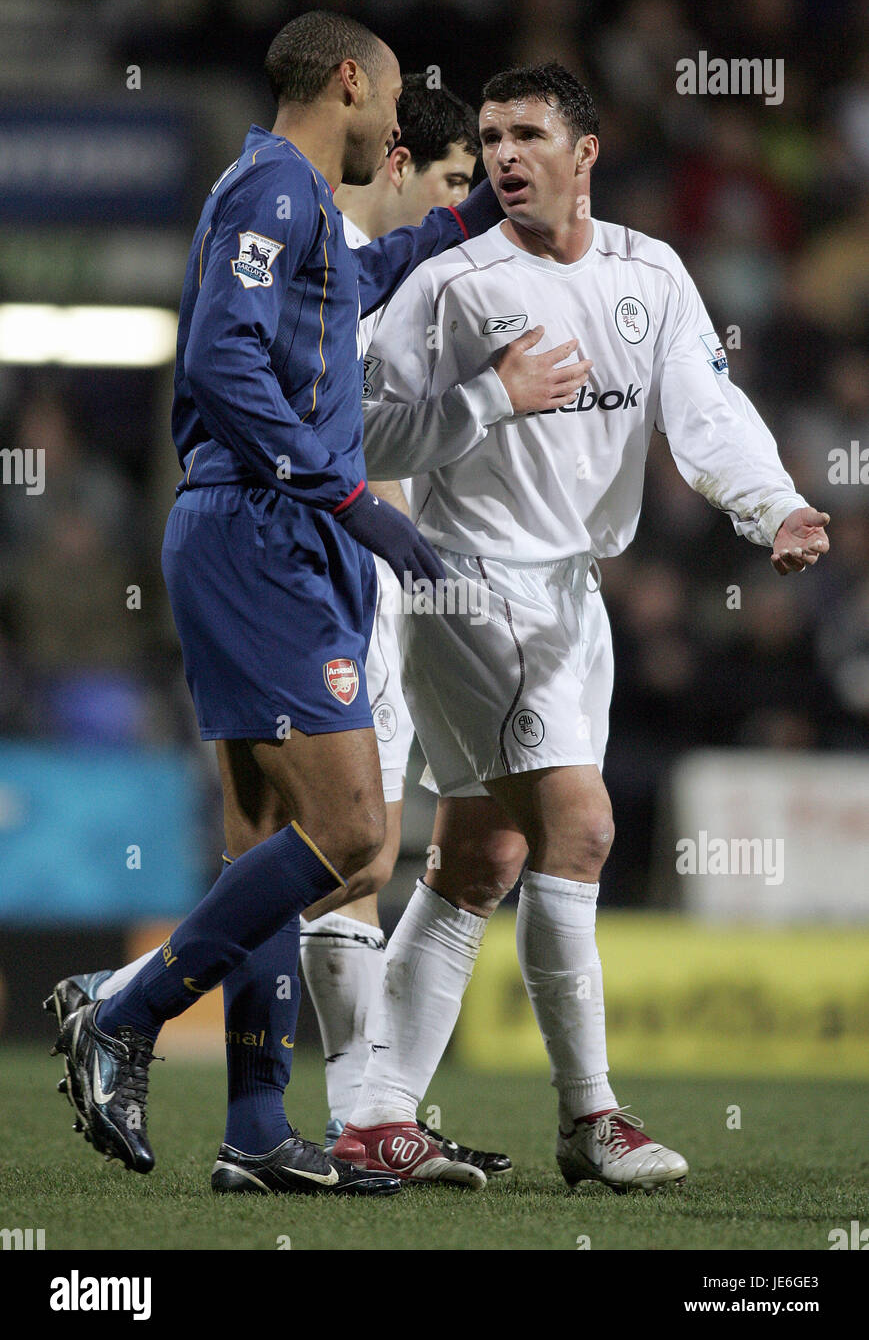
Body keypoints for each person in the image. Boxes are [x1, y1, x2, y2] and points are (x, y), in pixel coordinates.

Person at [330, 62, 831, 1191]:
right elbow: (357, 439)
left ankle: (373, 1114)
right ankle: (591, 1117)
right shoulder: (452, 284)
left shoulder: (648, 272)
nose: (504, 155)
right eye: (492, 137)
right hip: (470, 585)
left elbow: (706, 410)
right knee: (581, 829)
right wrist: (489, 395)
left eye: (527, 135)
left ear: (584, 150)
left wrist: (775, 504)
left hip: (569, 594)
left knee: (479, 856)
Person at [48, 10, 516, 1198]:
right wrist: (352, 498)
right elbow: (219, 359)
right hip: (266, 533)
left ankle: (256, 1126)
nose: (399, 127)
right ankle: (126, 1011)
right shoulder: (270, 187)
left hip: (249, 531)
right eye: (393, 101)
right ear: (347, 82)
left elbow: (351, 281)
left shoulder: (292, 204)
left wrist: (467, 215)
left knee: (268, 840)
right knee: (356, 836)